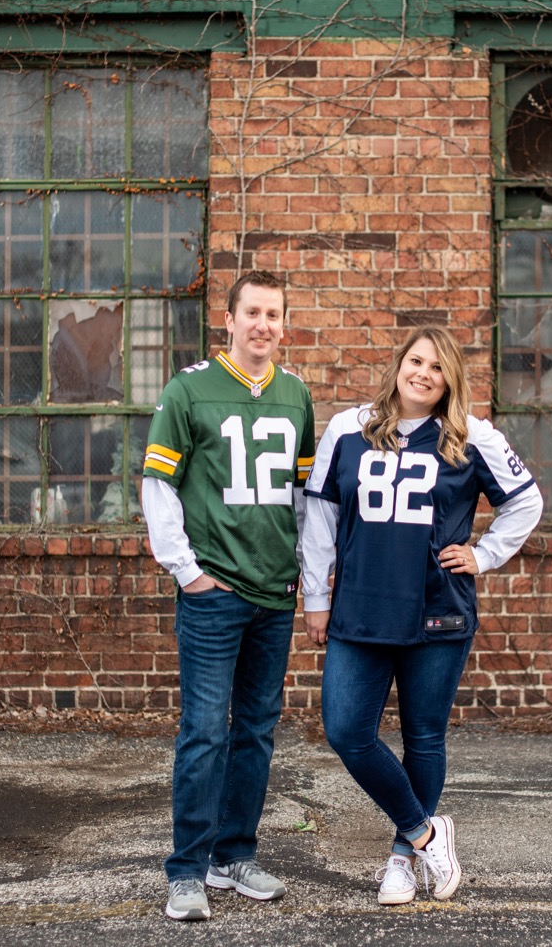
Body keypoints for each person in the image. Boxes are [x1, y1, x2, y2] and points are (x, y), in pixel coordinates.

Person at [300, 326, 543, 906]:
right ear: (399, 365)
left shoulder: (470, 436)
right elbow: (319, 517)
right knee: (347, 730)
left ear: (450, 379)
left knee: (424, 737)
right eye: (416, 361)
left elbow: (526, 501)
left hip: (438, 611)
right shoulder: (348, 429)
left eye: (438, 367)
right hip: (360, 609)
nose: (424, 374)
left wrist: (484, 554)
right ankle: (427, 833)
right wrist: (315, 598)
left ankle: (402, 861)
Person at [141, 270, 316, 922]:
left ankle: (234, 854)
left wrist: (306, 578)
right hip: (214, 590)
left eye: (274, 314)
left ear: (283, 323)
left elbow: (303, 498)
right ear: (230, 319)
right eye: (253, 313)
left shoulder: (296, 395)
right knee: (204, 732)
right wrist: (186, 571)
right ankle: (187, 870)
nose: (263, 325)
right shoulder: (188, 389)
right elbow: (158, 486)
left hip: (273, 593)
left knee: (257, 733)